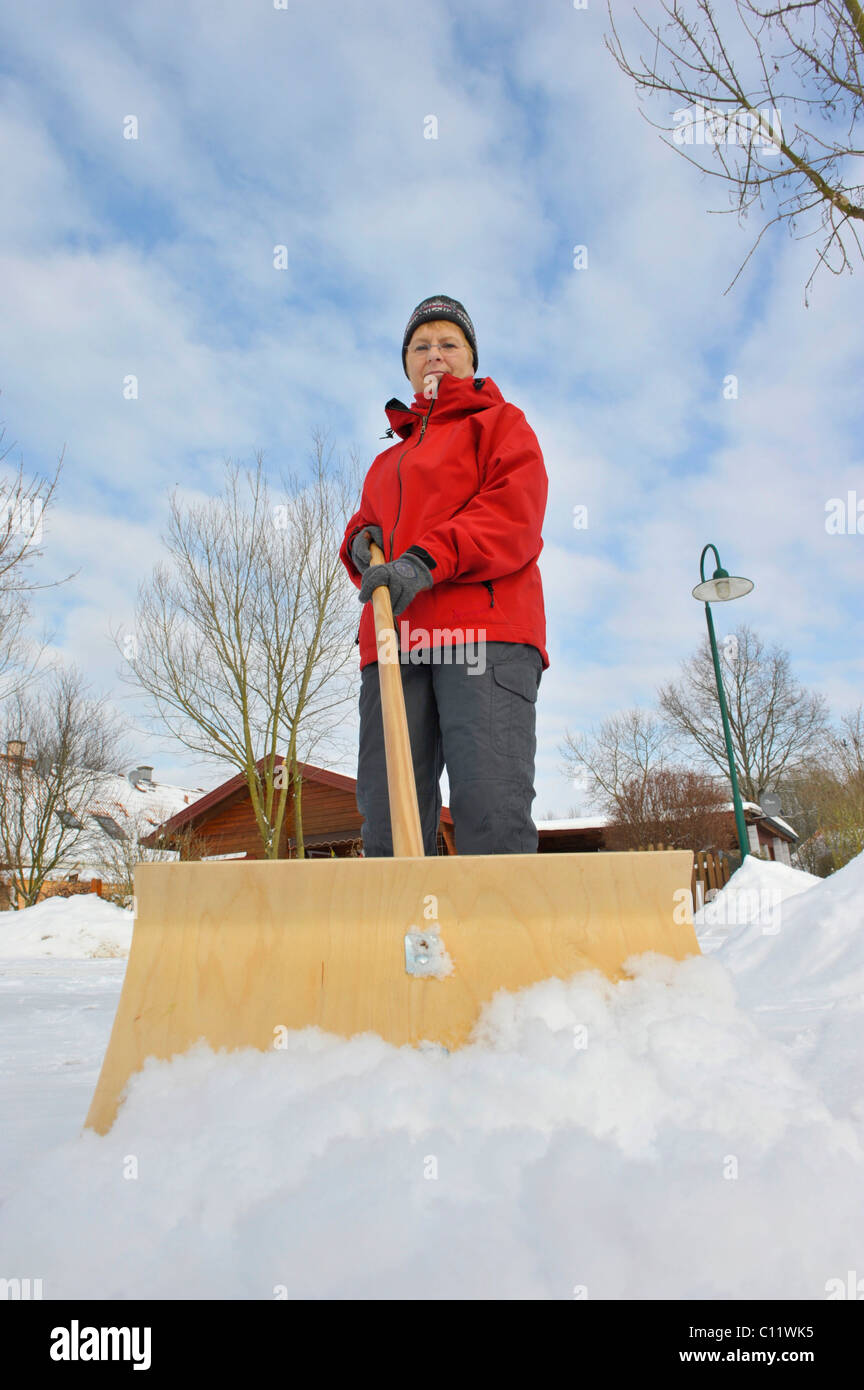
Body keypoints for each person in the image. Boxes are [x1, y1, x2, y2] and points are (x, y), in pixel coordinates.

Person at [339, 294, 549, 856]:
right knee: (390, 819)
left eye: (448, 344)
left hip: (483, 634)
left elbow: (512, 515)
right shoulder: (388, 460)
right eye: (421, 345)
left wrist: (423, 561)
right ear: (407, 363)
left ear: (471, 359)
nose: (435, 353)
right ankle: (405, 941)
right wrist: (359, 542)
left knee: (489, 811)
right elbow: (368, 524)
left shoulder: (503, 425)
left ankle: (496, 943)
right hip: (394, 641)